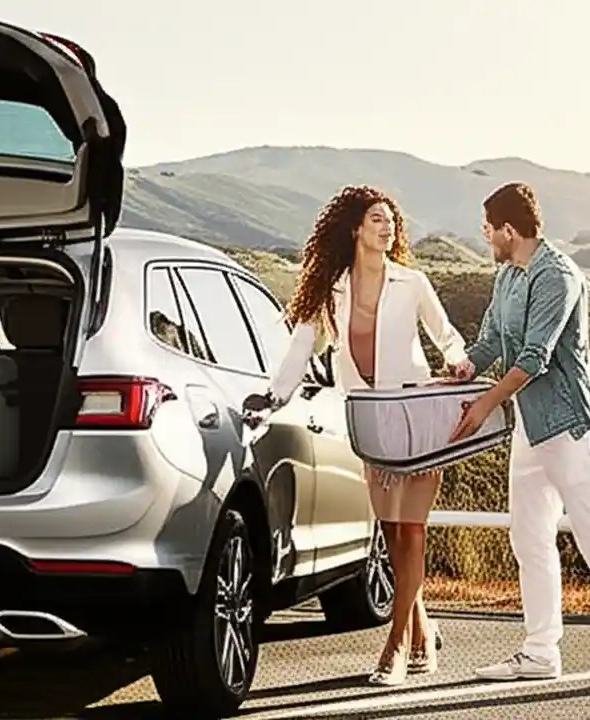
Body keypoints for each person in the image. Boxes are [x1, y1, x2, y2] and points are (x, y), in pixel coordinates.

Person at [242, 185, 469, 686]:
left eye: (391, 220)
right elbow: (300, 350)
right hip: (368, 422)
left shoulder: (412, 282)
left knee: (411, 530)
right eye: (376, 220)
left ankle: (395, 646)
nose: (388, 227)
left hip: (415, 416)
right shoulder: (331, 291)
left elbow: (446, 335)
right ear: (355, 229)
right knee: (389, 532)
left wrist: (458, 362)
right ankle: (423, 633)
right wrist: (272, 398)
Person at [445, 182, 590, 695]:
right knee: (528, 535)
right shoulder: (507, 275)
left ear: (509, 230)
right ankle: (541, 651)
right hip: (531, 425)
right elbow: (493, 339)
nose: (485, 237)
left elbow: (534, 357)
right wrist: (465, 367)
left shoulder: (557, 275)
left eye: (488, 229)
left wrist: (484, 405)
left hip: (568, 423)